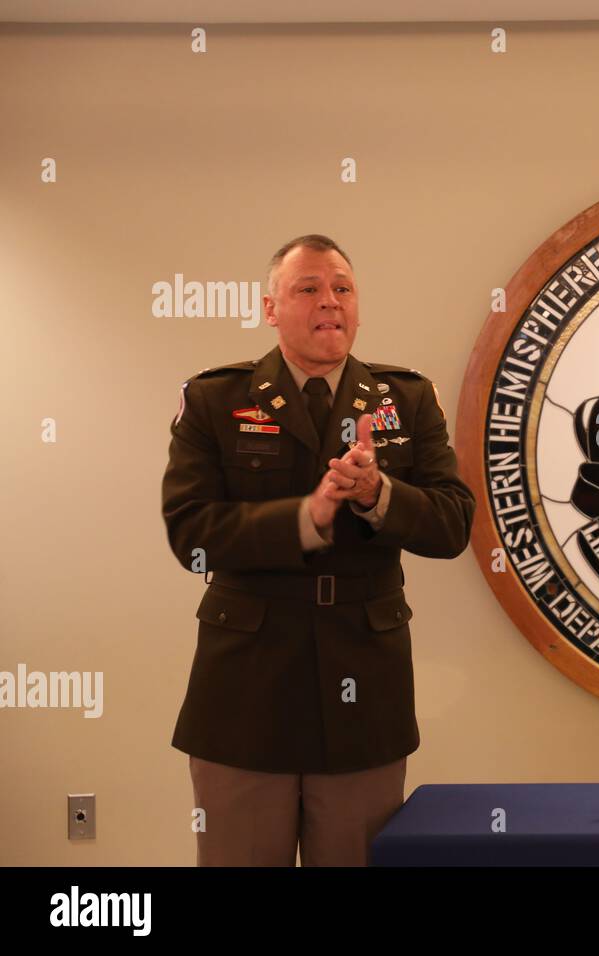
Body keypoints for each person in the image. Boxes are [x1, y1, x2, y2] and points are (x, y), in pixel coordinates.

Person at [161, 234, 475, 865]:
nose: (328, 301)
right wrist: (306, 519)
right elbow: (191, 530)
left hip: (364, 683)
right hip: (245, 688)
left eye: (342, 288)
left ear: (357, 308)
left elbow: (452, 524)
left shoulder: (406, 400)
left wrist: (379, 494)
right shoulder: (217, 399)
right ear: (271, 308)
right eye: (308, 288)